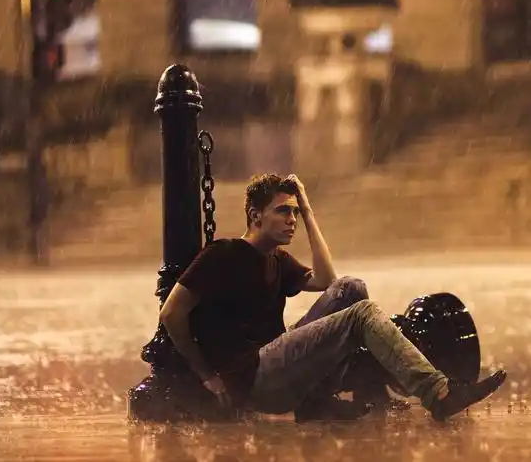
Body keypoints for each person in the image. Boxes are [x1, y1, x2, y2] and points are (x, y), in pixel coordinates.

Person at [158, 173, 507, 422]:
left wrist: (309, 211)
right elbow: (172, 313)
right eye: (284, 211)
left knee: (352, 288)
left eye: (294, 212)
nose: (291, 219)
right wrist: (206, 375)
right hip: (253, 378)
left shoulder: (276, 260)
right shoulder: (224, 254)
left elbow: (328, 281)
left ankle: (317, 402)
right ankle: (440, 394)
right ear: (255, 216)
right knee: (362, 313)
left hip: (276, 364)